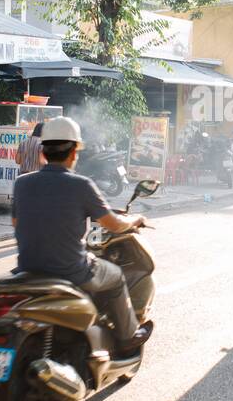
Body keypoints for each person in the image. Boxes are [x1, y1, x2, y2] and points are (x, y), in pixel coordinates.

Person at [12, 117, 153, 355]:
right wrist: (135, 220)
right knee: (116, 276)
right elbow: (114, 224)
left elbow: (18, 224)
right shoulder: (81, 185)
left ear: (43, 151)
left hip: (27, 268)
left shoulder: (22, 183)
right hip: (71, 270)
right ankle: (128, 336)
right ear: (74, 152)